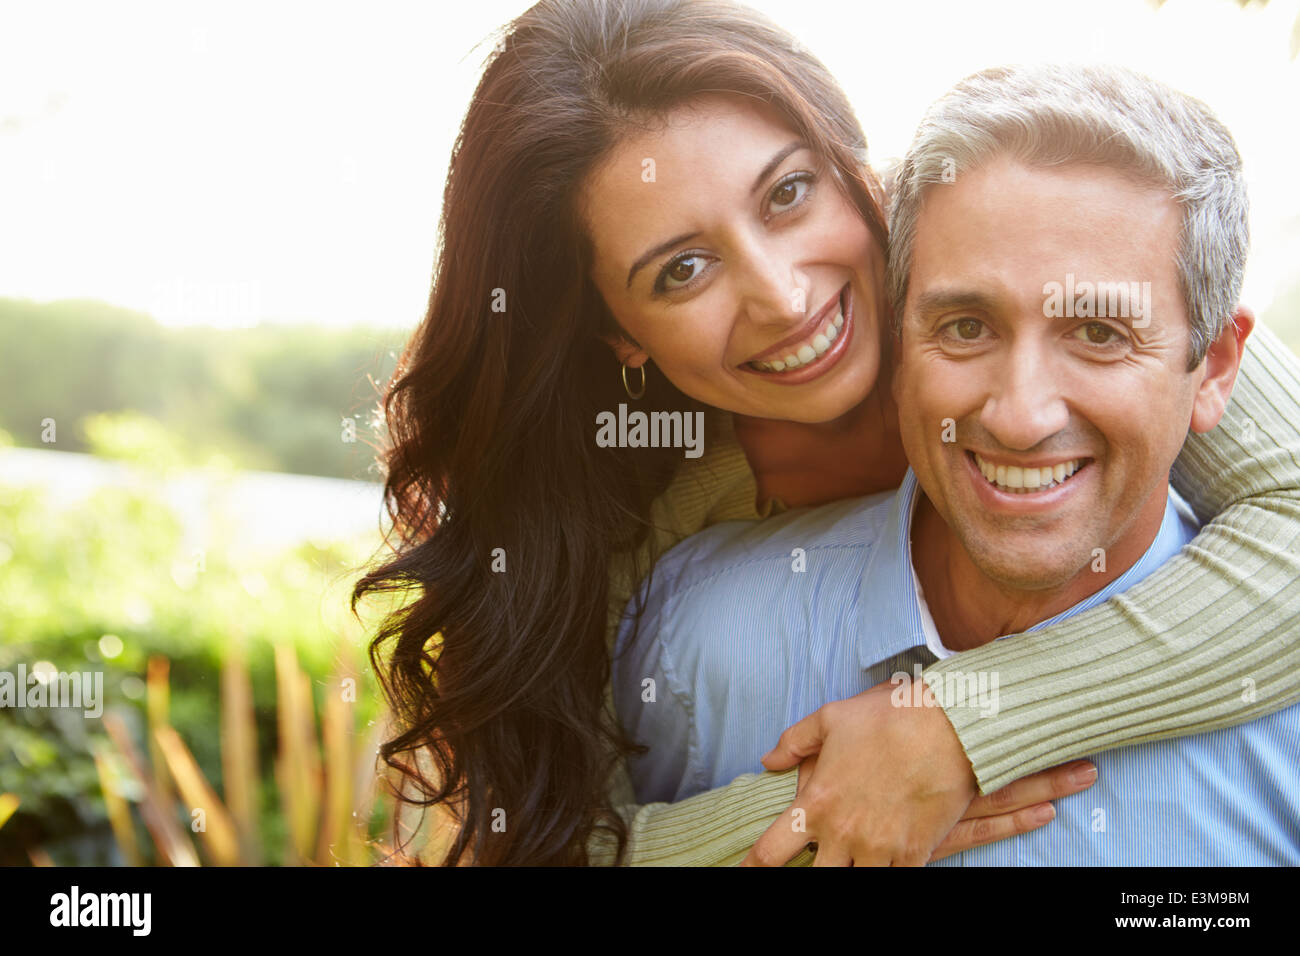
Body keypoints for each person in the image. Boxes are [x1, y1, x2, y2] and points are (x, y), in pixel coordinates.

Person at [351, 0, 1300, 866]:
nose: (784, 294)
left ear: (858, 168)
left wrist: (962, 725)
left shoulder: (1026, 254)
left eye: (788, 193)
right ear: (621, 335)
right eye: (682, 269)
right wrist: (825, 807)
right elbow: (546, 848)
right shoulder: (633, 529)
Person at [615, 62, 1299, 865]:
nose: (1020, 414)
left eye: (1100, 335)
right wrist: (809, 817)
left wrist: (965, 721)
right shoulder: (687, 640)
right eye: (968, 325)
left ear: (1214, 369)